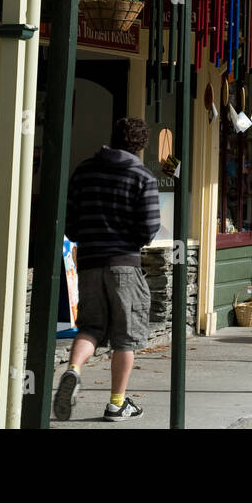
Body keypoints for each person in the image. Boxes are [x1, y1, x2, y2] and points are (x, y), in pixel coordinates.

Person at [53, 117, 160, 421]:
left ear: (112, 138)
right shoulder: (142, 177)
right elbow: (149, 228)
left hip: (88, 263)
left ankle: (73, 369)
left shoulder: (84, 171)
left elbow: (70, 221)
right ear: (140, 145)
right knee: (126, 337)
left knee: (90, 327)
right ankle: (117, 402)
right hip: (124, 264)